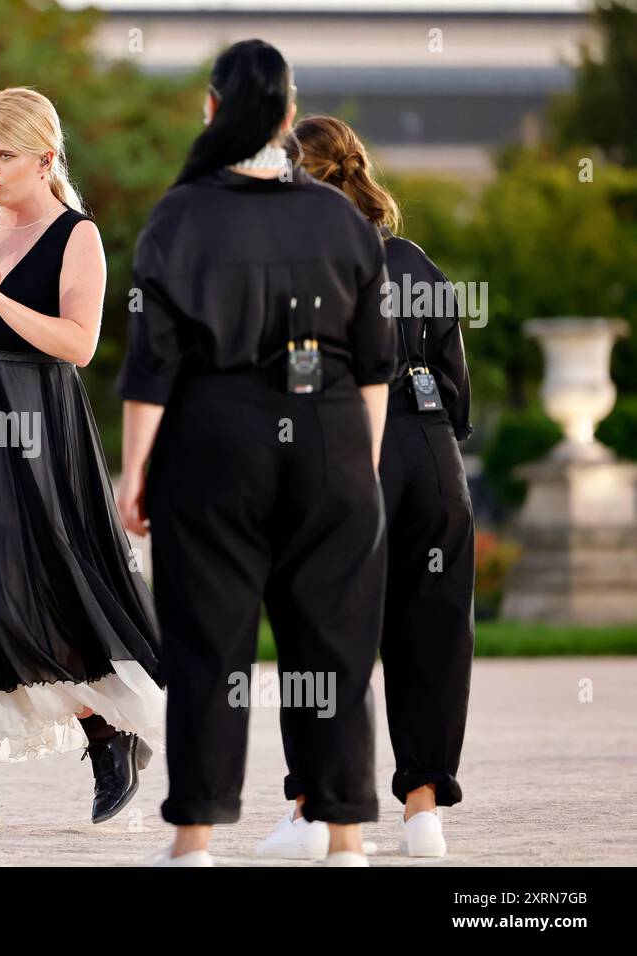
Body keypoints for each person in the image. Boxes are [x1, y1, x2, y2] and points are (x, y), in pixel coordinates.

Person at [116, 40, 396, 867]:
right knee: (336, 645)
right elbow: (375, 361)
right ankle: (345, 836)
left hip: (214, 439)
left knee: (209, 642)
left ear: (211, 110)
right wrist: (363, 471)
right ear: (285, 117)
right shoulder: (342, 220)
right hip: (333, 436)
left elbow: (151, 364)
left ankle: (194, 837)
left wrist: (136, 471)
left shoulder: (179, 216)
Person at [0, 86, 165, 839]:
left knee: (37, 589)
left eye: (3, 156)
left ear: (45, 158)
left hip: (37, 418)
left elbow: (79, 344)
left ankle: (109, 732)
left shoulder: (75, 234)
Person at [257, 115, 474, 861]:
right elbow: (459, 393)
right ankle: (423, 815)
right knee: (432, 635)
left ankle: (314, 810)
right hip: (437, 460)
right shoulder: (415, 260)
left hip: (350, 448)